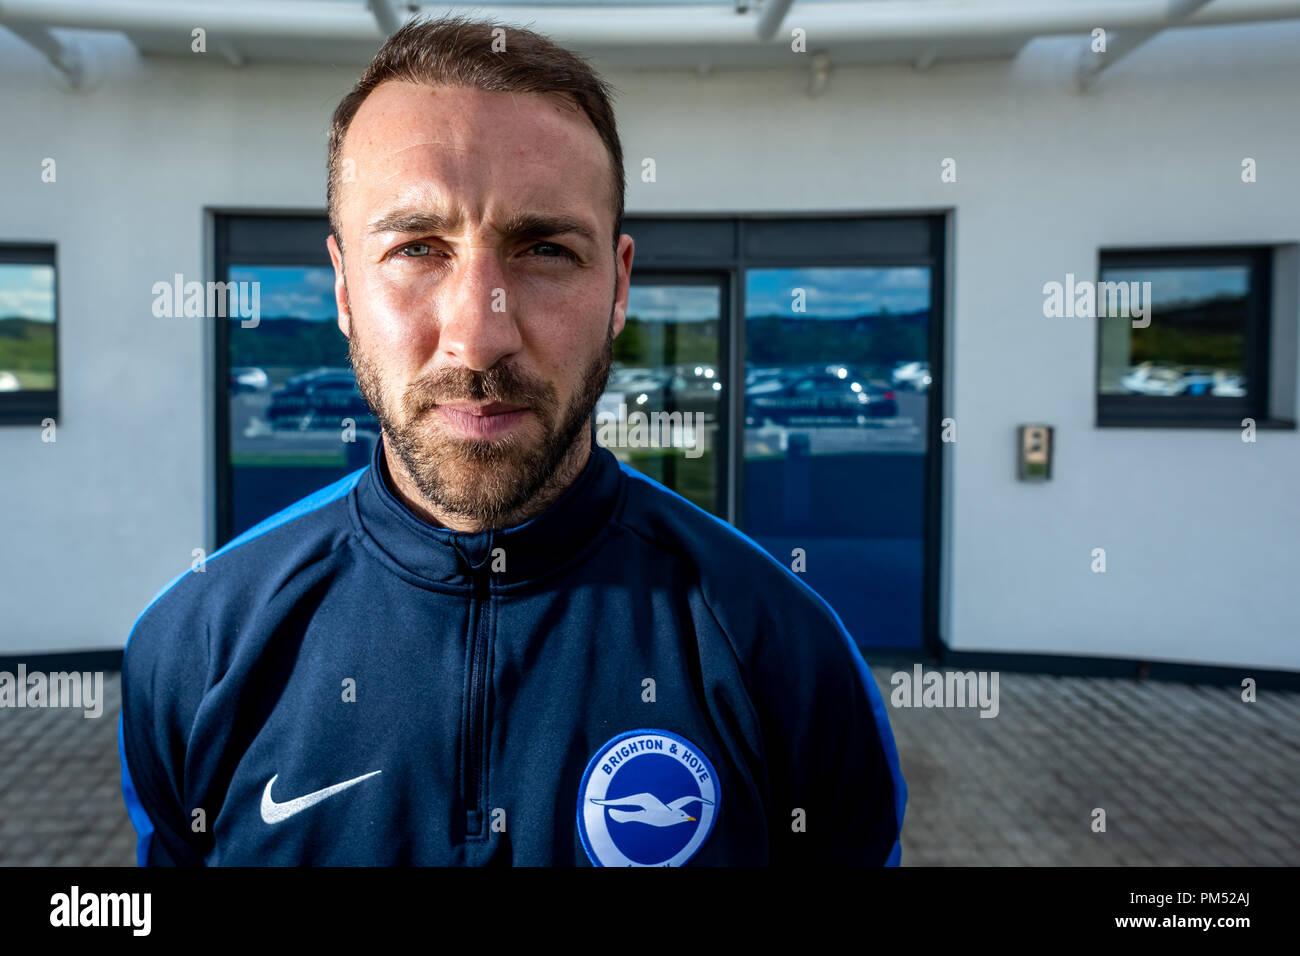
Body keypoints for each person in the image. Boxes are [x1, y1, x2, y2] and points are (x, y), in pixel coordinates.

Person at [119, 14, 906, 866]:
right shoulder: (196, 644)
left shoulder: (783, 651)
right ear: (344, 288)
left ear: (619, 284)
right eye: (419, 248)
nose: (479, 336)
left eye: (543, 249)